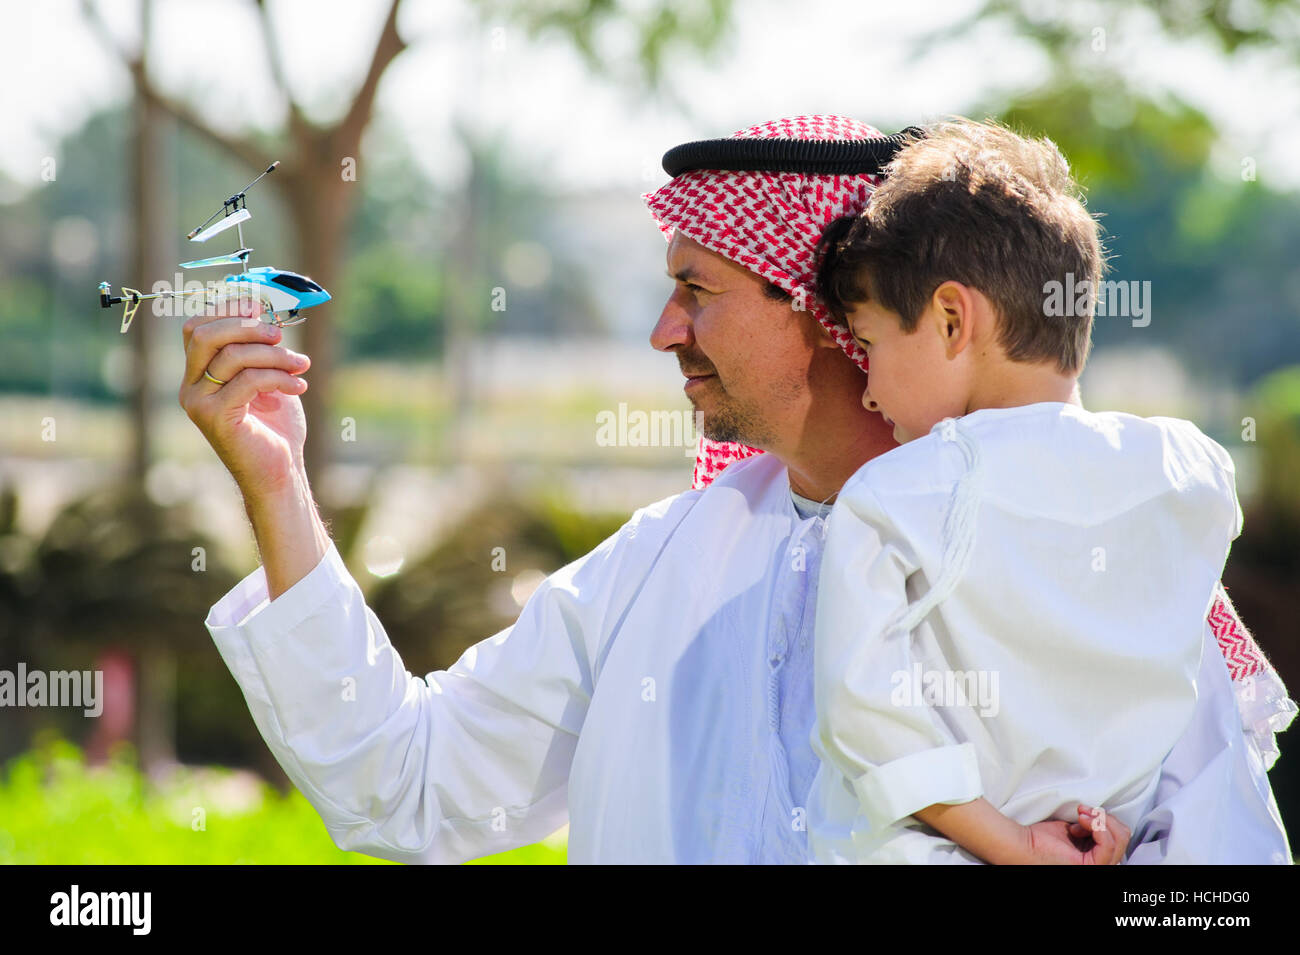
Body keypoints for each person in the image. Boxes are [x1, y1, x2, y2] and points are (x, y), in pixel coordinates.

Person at [180, 115, 1294, 864]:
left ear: (830, 309)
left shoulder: (1098, 557)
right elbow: (406, 785)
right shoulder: (657, 566)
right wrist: (276, 487)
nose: (664, 331)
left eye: (695, 289)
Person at [805, 119, 1249, 865]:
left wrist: (1013, 843)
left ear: (952, 320)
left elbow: (863, 715)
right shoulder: (1189, 469)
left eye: (870, 343)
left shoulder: (893, 494)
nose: (869, 390)